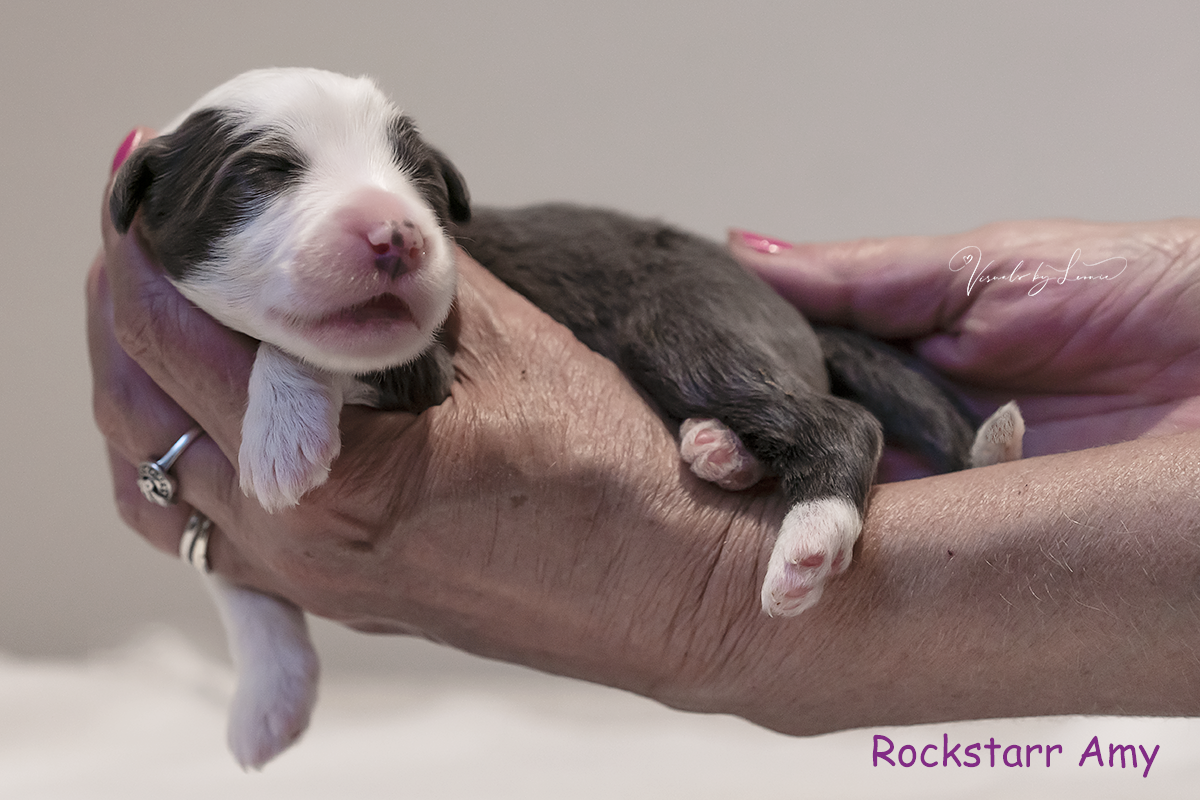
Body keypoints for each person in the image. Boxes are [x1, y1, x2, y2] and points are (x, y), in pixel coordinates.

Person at [90, 129, 1200, 734]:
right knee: (744, 396)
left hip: (655, 288)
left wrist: (703, 595)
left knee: (737, 380)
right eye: (258, 185)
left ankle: (827, 462)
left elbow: (411, 377)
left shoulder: (397, 277)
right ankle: (876, 439)